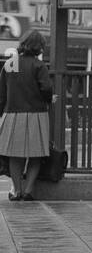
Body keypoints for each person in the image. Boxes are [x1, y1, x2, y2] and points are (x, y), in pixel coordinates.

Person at [0, 30, 54, 201]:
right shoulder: (39, 66)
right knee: (36, 154)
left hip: (12, 113)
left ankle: (16, 190)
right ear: (39, 47)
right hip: (36, 114)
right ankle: (28, 190)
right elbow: (46, 89)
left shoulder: (9, 64)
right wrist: (49, 99)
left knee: (15, 156)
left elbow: (1, 93)